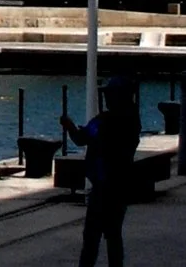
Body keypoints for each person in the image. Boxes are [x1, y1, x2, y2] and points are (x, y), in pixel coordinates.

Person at [63, 75, 139, 267]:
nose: (106, 99)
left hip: (103, 186)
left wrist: (69, 126)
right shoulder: (132, 121)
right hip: (122, 186)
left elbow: (81, 138)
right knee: (113, 235)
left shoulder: (105, 122)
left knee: (92, 236)